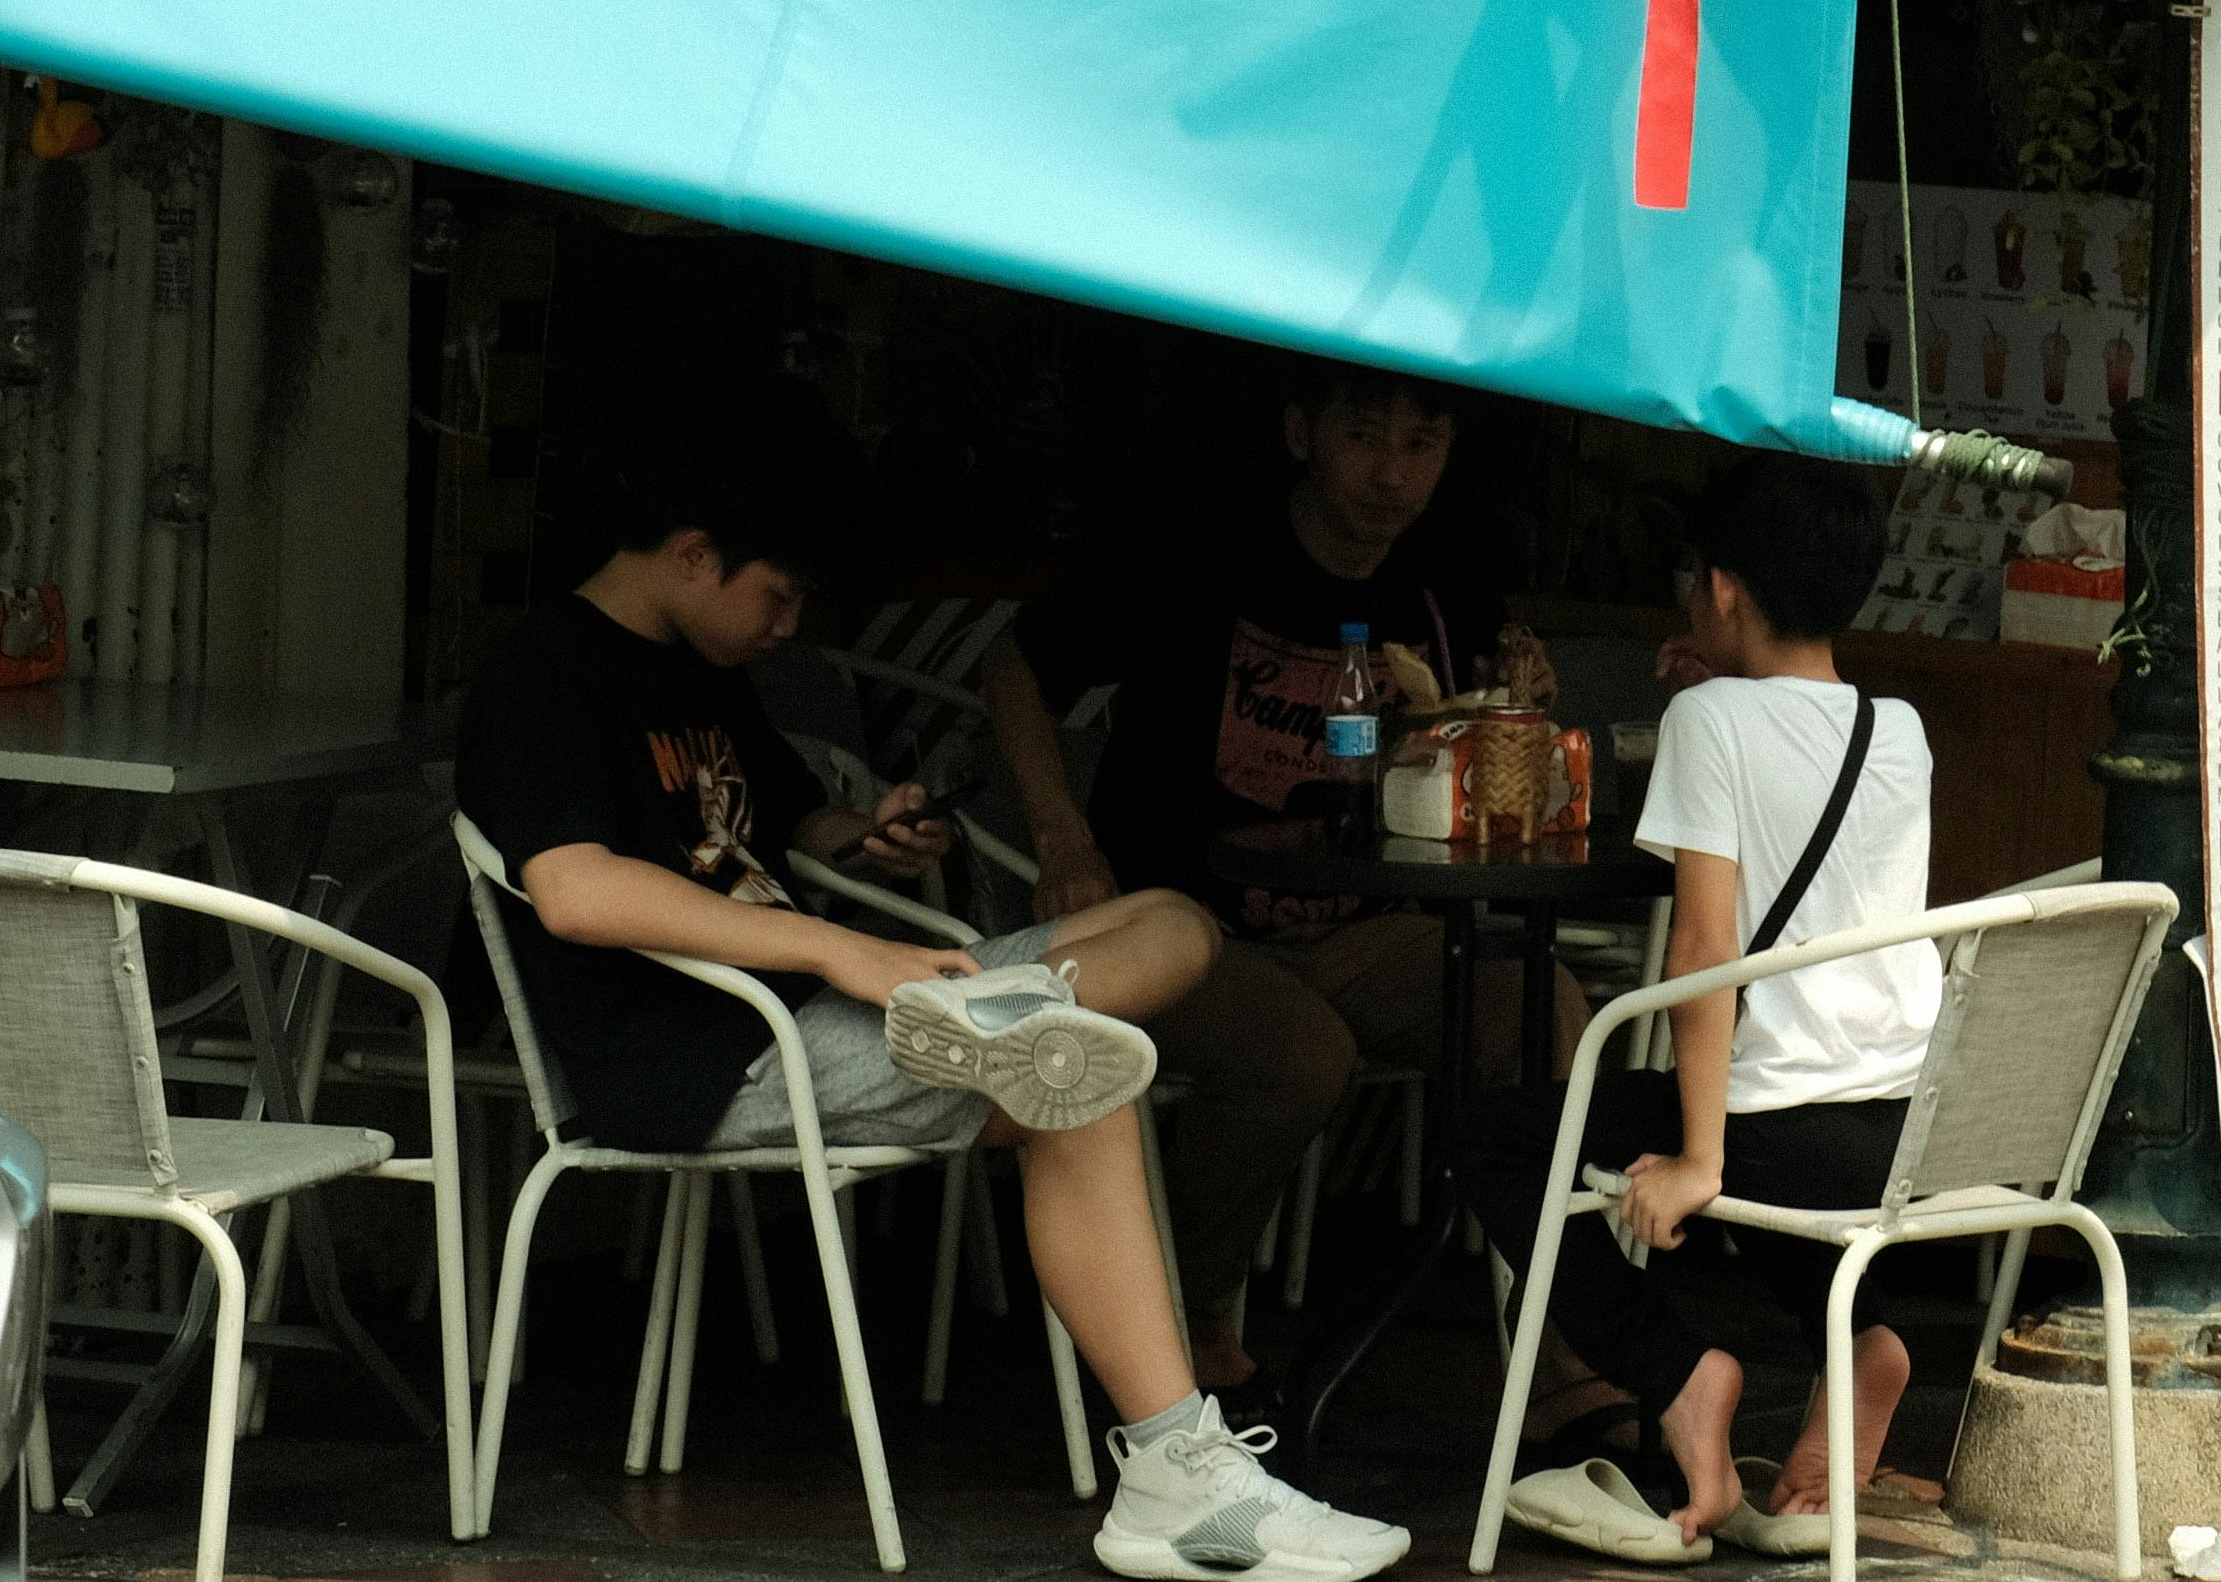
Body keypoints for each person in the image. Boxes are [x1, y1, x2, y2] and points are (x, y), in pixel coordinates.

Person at [460, 396, 1405, 1579]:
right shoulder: (544, 669)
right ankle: (1177, 1476)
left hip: (822, 1009)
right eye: (781, 594)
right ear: (693, 553)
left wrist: (868, 838)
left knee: (1174, 922)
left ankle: (995, 1028)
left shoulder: (700, 663)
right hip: (707, 1054)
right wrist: (834, 947)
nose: (788, 624)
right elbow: (575, 890)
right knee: (1081, 1073)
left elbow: (786, 818)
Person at [985, 367, 1556, 1378]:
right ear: (1302, 430)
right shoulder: (1201, 549)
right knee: (1298, 1052)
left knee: (1543, 1006)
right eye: (1364, 435)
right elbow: (1017, 666)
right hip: (1180, 933)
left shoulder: (1441, 585)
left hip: (1356, 926)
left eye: (1421, 443)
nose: (1392, 472)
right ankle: (1174, 1327)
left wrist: (1508, 706)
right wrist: (1064, 838)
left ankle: (1560, 1350)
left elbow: (1460, 743)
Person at [1498, 452, 1937, 1566]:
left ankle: (1683, 1376)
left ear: (1725, 588)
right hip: (1902, 1126)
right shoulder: (1901, 726)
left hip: (1784, 1130)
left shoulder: (1711, 722)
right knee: (1759, 1144)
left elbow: (1704, 946)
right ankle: (1865, 1335)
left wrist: (1698, 1155)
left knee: (1501, 1138)